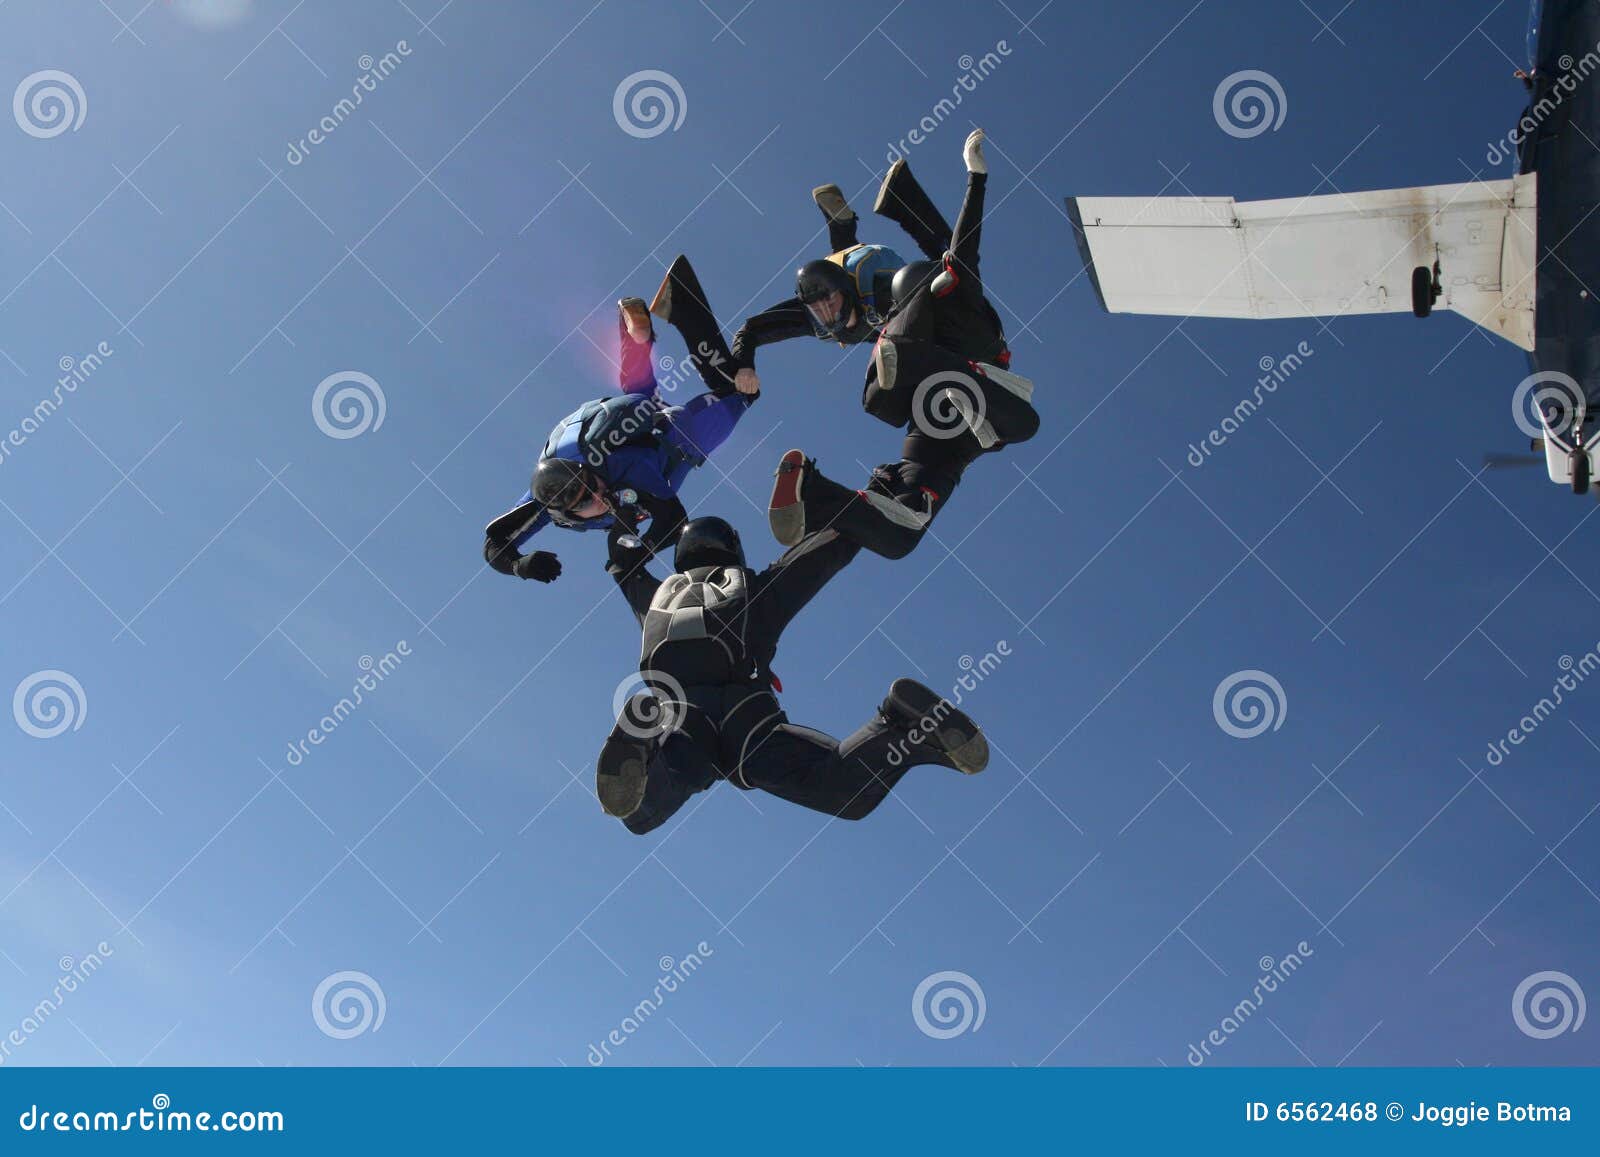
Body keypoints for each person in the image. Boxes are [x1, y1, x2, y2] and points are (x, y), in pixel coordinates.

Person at [595, 498, 989, 834]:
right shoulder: (754, 589)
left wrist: (623, 535)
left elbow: (626, 571)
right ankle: (902, 723)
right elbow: (821, 554)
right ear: (733, 549)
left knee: (639, 812)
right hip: (745, 715)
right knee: (844, 790)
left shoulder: (656, 600)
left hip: (678, 710)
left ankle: (647, 732)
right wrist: (865, 507)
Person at [764, 129, 1040, 560]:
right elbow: (962, 249)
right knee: (1020, 426)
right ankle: (912, 362)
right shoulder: (936, 303)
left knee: (900, 537)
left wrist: (976, 179)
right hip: (949, 394)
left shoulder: (946, 298)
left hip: (948, 413)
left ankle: (815, 495)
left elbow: (962, 249)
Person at [482, 255, 755, 583]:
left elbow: (673, 521)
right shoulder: (544, 502)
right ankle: (637, 338)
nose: (600, 498)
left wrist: (634, 557)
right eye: (586, 501)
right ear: (561, 512)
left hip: (680, 435)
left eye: (591, 488)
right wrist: (518, 565)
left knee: (739, 392)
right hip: (640, 417)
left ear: (585, 470)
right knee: (641, 394)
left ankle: (671, 322)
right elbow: (495, 542)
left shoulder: (629, 469)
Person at [727, 152, 967, 395]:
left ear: (844, 292)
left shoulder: (882, 293)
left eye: (830, 302)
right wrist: (743, 366)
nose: (826, 314)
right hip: (845, 271)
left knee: (953, 264)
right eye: (817, 308)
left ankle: (899, 197)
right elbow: (751, 330)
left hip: (871, 277)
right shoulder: (807, 316)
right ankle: (842, 224)